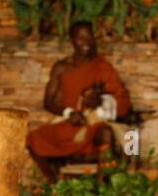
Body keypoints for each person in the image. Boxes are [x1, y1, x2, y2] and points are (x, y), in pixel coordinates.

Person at [26, 21, 131, 181]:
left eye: (89, 37)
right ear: (72, 41)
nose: (86, 42)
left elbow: (121, 98)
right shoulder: (62, 67)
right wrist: (69, 113)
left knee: (107, 134)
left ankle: (102, 188)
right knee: (33, 139)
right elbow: (48, 102)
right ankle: (53, 184)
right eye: (81, 38)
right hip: (70, 122)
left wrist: (101, 102)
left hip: (94, 123)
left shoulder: (102, 66)